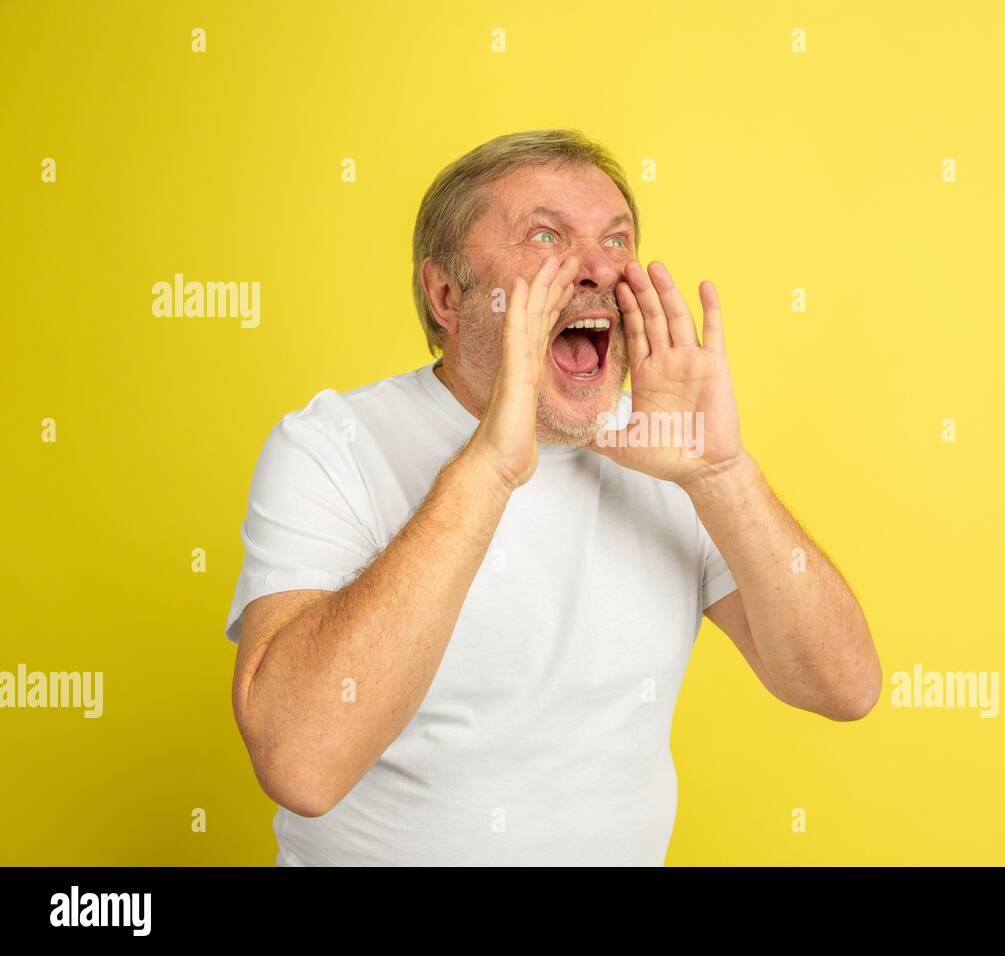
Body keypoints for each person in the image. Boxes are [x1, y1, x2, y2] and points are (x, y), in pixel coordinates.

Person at [225, 128, 882, 866]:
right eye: (546, 235)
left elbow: (843, 686)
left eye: (616, 239)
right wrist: (490, 469)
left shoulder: (665, 459)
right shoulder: (332, 445)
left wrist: (721, 475)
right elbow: (301, 765)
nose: (598, 266)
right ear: (446, 293)